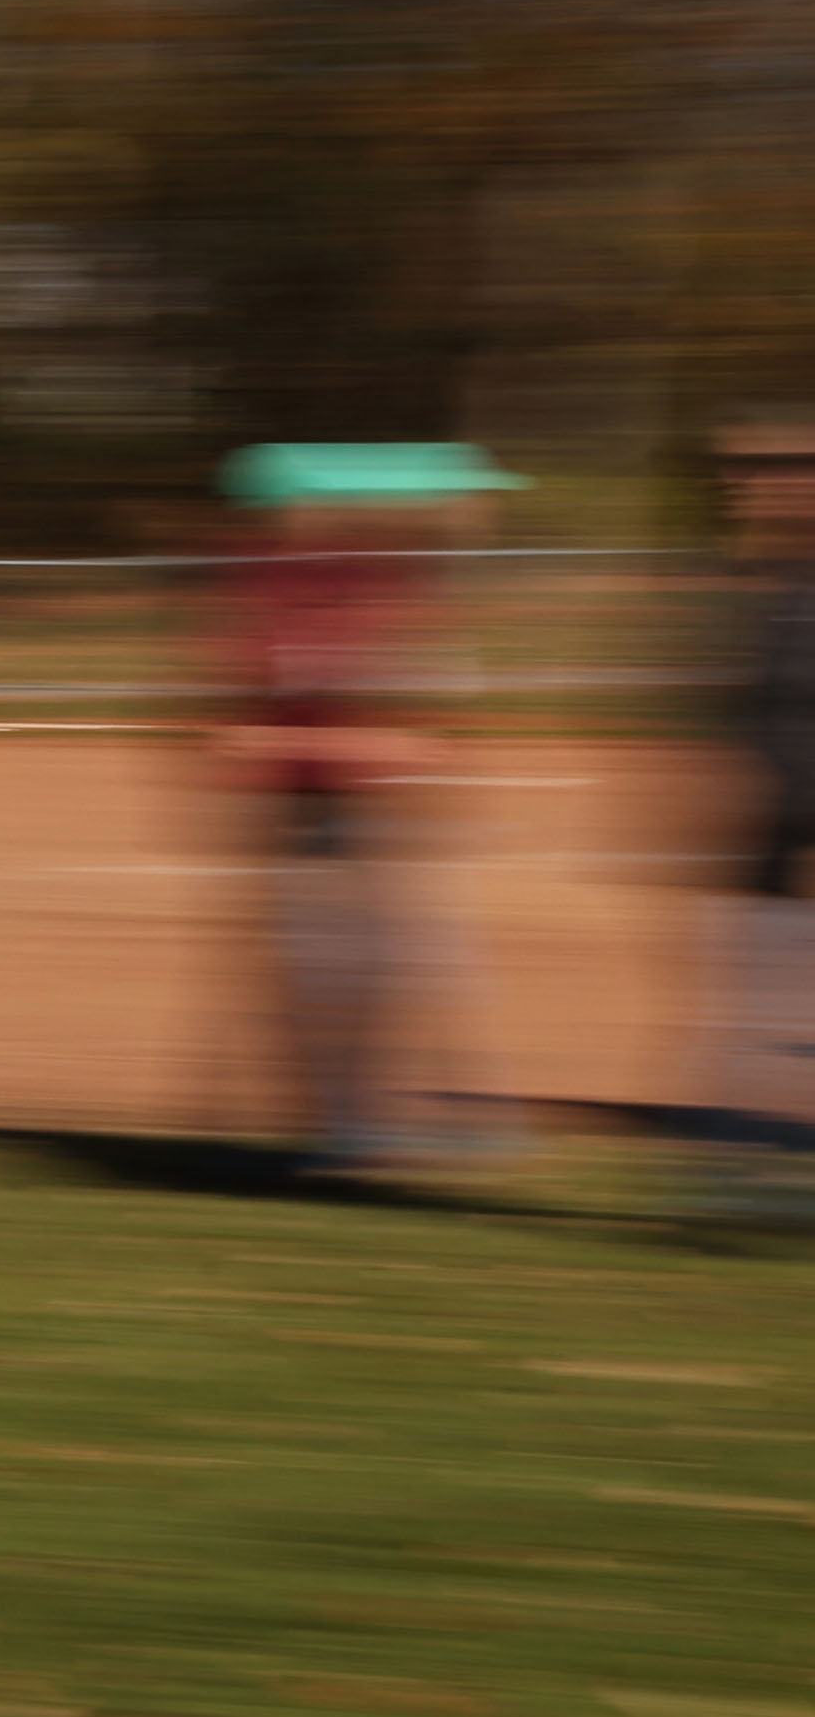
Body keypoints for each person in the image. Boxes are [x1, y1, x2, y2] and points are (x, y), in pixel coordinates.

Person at [210, 441, 527, 1177]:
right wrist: (363, 737)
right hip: (311, 810)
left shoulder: (376, 583)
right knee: (330, 968)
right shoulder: (277, 590)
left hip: (370, 813)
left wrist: (408, 739)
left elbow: (423, 702)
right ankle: (343, 1124)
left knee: (387, 962)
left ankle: (364, 1120)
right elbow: (249, 716)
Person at [693, 419, 815, 1219]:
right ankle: (737, 1155)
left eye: (783, 473)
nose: (759, 489)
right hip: (776, 807)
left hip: (791, 801)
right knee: (756, 973)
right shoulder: (772, 580)